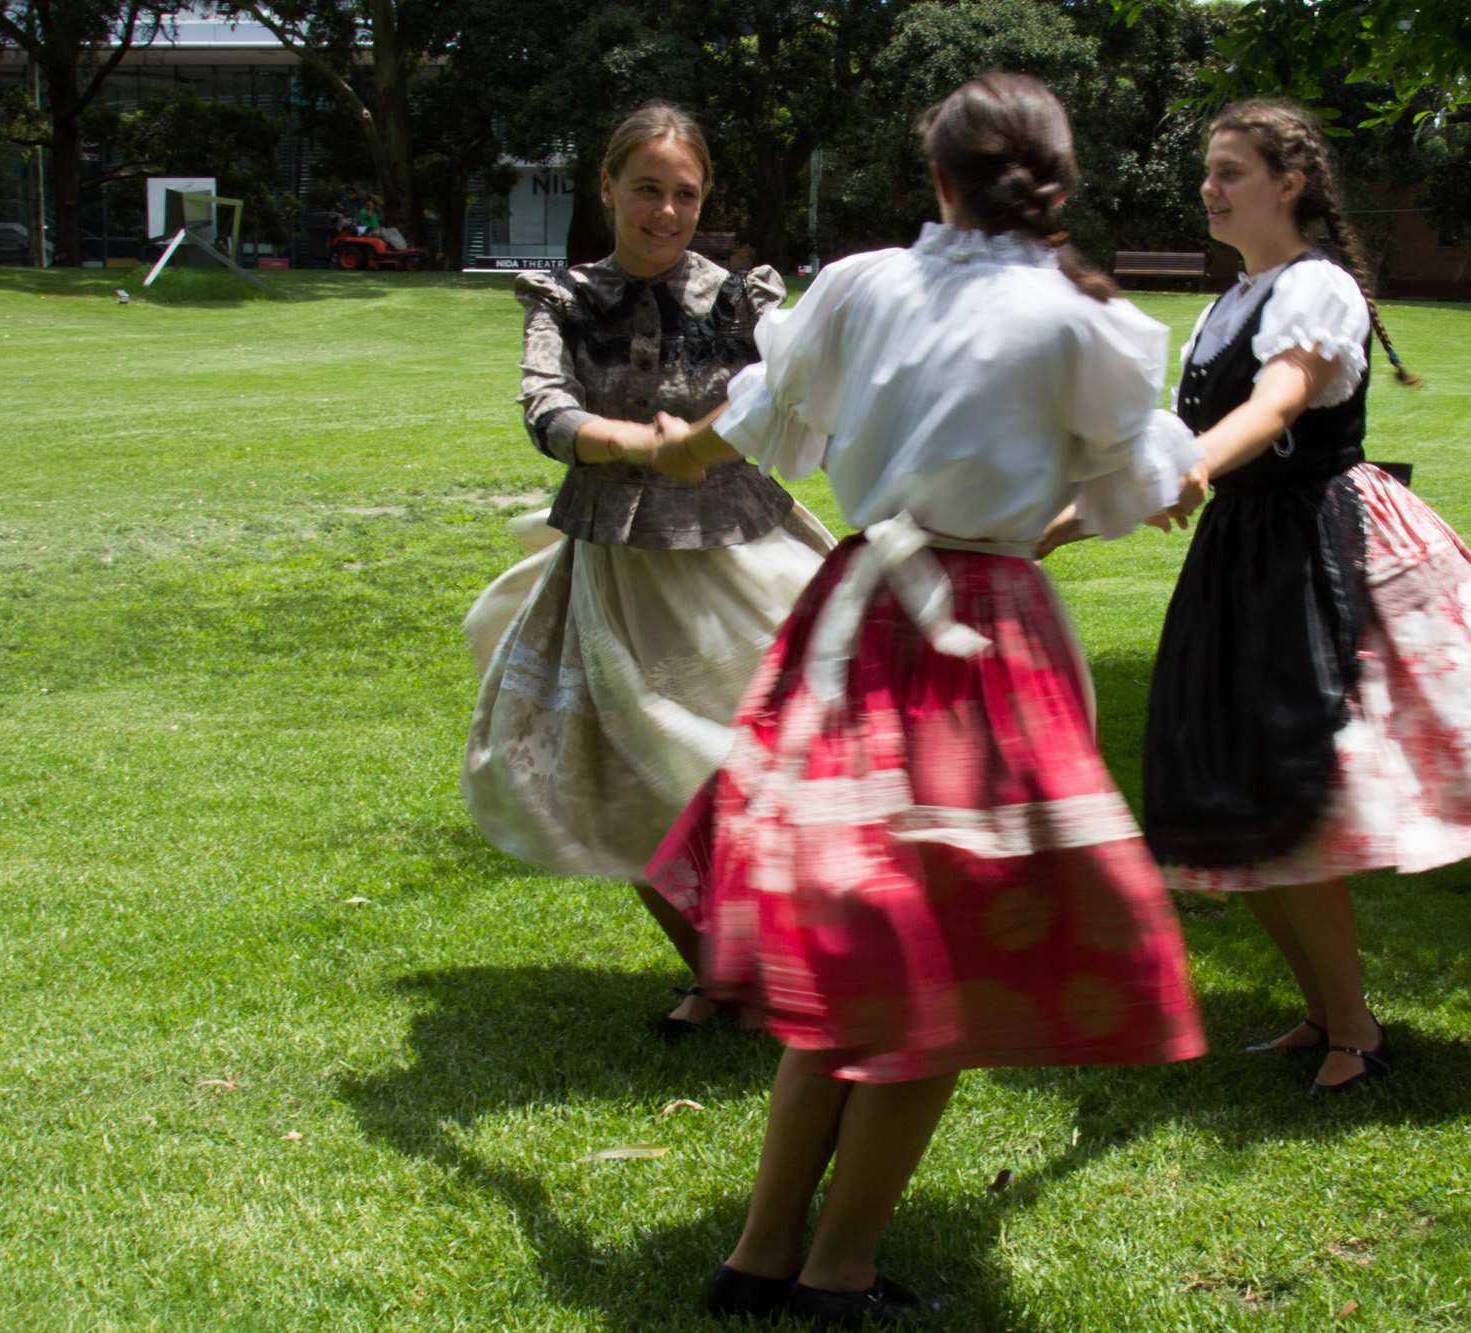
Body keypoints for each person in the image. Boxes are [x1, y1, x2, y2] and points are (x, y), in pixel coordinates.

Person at [642, 73, 1207, 1323]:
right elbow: (1142, 484)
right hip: (977, 643)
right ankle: (836, 1269)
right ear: (1054, 183)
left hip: (852, 617)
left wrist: (641, 450)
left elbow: (753, 422)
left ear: (937, 177)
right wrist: (1110, 493)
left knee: (860, 945)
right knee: (938, 957)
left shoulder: (855, 283)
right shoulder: (1082, 318)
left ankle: (760, 1252)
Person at [1137, 99, 1471, 1097]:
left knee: (1293, 786)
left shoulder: (1314, 287)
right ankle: (1324, 1011)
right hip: (1241, 551)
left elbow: (1279, 402)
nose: (1210, 187)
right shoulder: (1217, 307)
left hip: (1315, 548)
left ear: (1288, 184)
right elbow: (1185, 430)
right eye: (1206, 171)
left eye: (1231, 170)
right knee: (1234, 783)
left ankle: (1354, 1027)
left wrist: (1195, 467)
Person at [461, 101, 832, 1038]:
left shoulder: (742, 296)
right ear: (607, 187)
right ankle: (715, 971)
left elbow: (806, 373)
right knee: (625, 774)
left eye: (685, 194)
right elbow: (544, 409)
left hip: (740, 562)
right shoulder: (565, 300)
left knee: (756, 767)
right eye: (647, 191)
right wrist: (640, 443)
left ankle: (780, 962)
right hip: (616, 571)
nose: (666, 212)